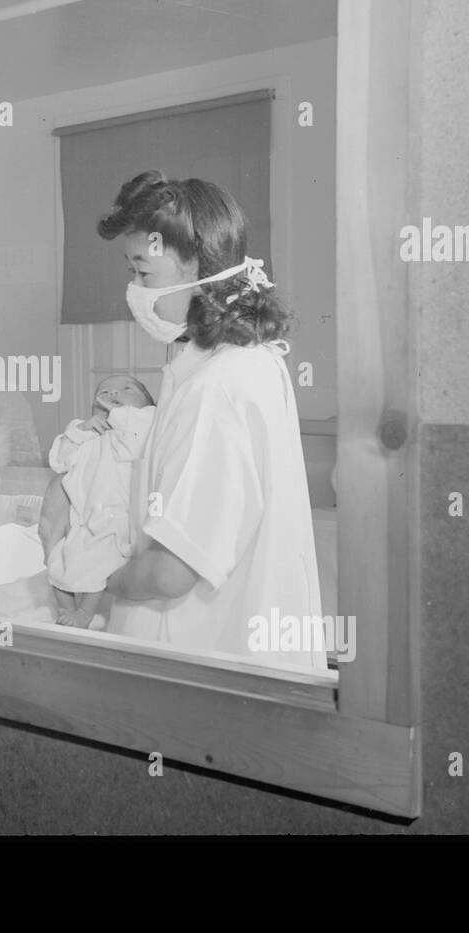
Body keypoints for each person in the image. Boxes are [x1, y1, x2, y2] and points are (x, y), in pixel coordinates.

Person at [97, 170, 327, 671]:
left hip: (205, 661)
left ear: (199, 266)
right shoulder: (248, 362)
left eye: (143, 271)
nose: (134, 290)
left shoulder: (217, 387)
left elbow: (172, 571)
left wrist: (101, 581)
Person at [39, 374, 155, 629]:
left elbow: (141, 431)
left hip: (116, 516)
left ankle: (85, 613)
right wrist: (82, 430)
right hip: (83, 516)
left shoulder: (140, 429)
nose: (114, 393)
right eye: (105, 391)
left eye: (126, 389)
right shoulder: (90, 437)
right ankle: (66, 608)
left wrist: (118, 414)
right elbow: (60, 459)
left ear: (147, 404)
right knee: (59, 559)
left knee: (99, 560)